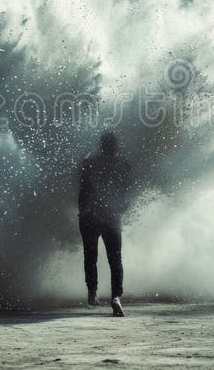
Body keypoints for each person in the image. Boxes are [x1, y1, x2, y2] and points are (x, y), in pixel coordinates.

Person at [78, 131, 132, 317]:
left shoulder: (89, 163)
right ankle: (116, 297)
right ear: (115, 146)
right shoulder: (123, 165)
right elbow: (127, 192)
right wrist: (122, 207)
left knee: (90, 256)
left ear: (101, 145)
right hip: (111, 215)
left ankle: (92, 293)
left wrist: (83, 211)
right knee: (115, 259)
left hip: (89, 215)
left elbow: (83, 189)